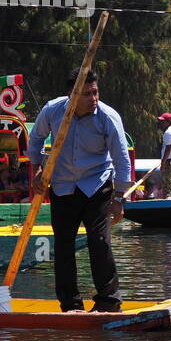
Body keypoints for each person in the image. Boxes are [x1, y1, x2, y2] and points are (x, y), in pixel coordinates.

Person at [28, 66, 131, 312]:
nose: (93, 99)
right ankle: (70, 303)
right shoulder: (53, 110)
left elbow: (121, 158)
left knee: (99, 242)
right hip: (63, 186)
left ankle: (108, 301)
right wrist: (38, 169)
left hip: (97, 185)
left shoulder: (107, 117)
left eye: (95, 92)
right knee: (63, 245)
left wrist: (119, 198)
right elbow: (36, 139)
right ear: (72, 96)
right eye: (86, 94)